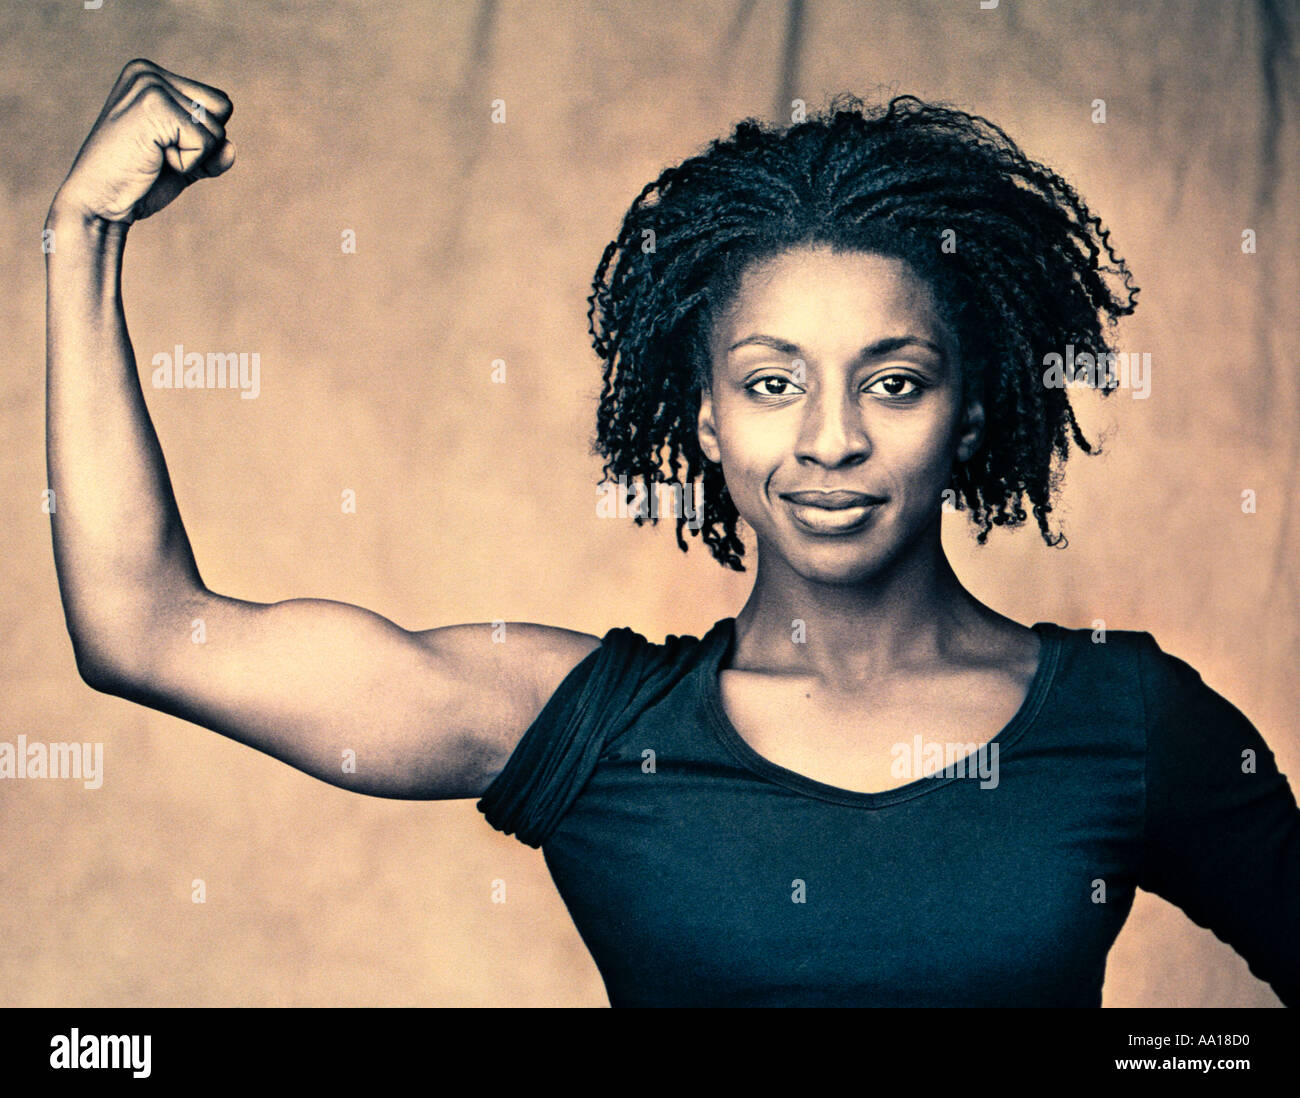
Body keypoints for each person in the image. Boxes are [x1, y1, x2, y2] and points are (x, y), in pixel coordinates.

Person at [45, 59, 1299, 1007]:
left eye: (893, 381)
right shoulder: (591, 728)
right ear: (701, 417)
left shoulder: (1129, 720)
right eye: (769, 382)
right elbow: (147, 631)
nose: (828, 440)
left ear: (970, 411)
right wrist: (83, 241)